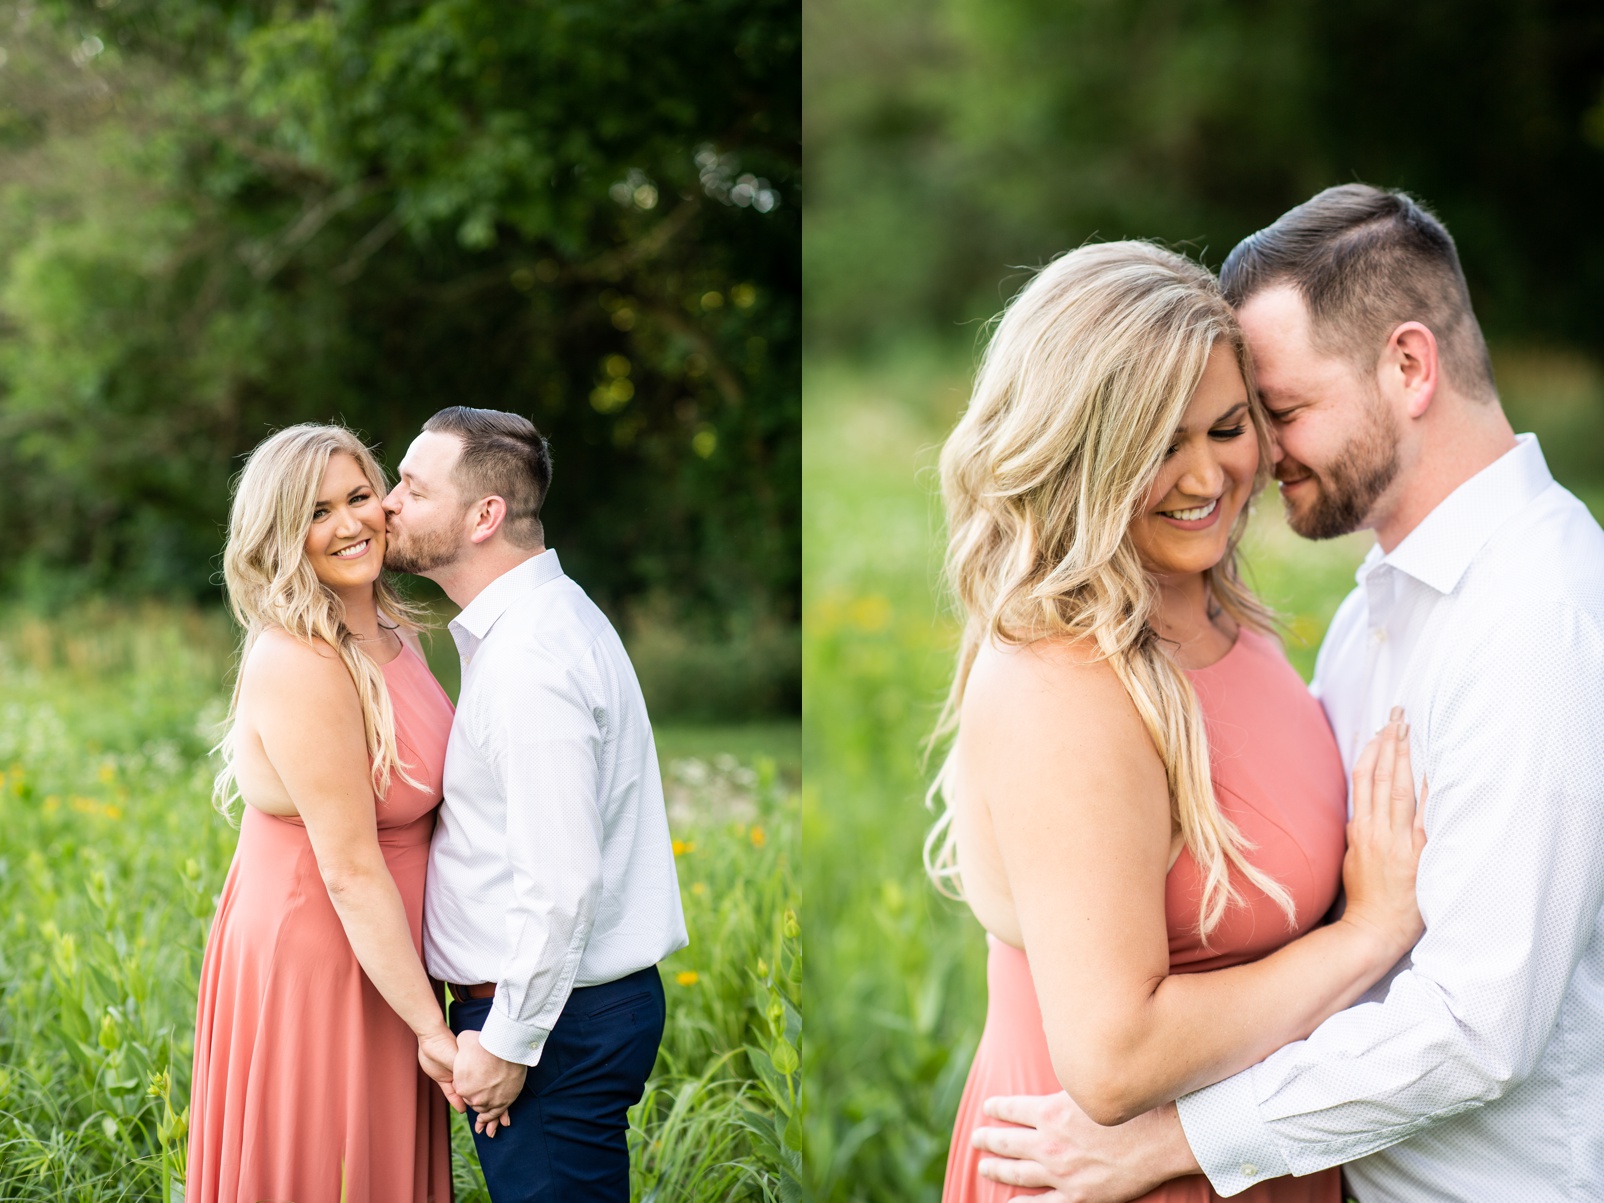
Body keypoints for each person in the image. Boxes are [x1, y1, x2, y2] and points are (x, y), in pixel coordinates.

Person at [971, 187, 1604, 1201]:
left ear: (1408, 367)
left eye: (1273, 414)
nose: (1255, 459)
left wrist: (1177, 1140)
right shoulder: (1372, 610)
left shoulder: (1538, 621)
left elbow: (1476, 1027)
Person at [933, 240, 1428, 1203]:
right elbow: (1113, 1058)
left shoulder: (1222, 615)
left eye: (1229, 427)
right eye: (1160, 444)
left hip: (1252, 1157)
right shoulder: (1063, 681)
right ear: (1080, 452)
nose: (1207, 476)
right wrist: (1366, 936)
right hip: (1110, 1176)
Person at [382, 406, 689, 1201]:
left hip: (551, 1021)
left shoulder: (530, 659)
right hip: (561, 1009)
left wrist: (508, 1041)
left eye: (413, 488)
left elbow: (562, 880)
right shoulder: (539, 622)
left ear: (484, 516)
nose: (387, 503)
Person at [188, 424, 458, 1202]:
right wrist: (432, 1029)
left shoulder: (395, 631)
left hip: (387, 954)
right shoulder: (302, 659)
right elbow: (349, 868)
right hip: (322, 956)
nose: (348, 524)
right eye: (316, 511)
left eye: (358, 496)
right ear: (280, 533)